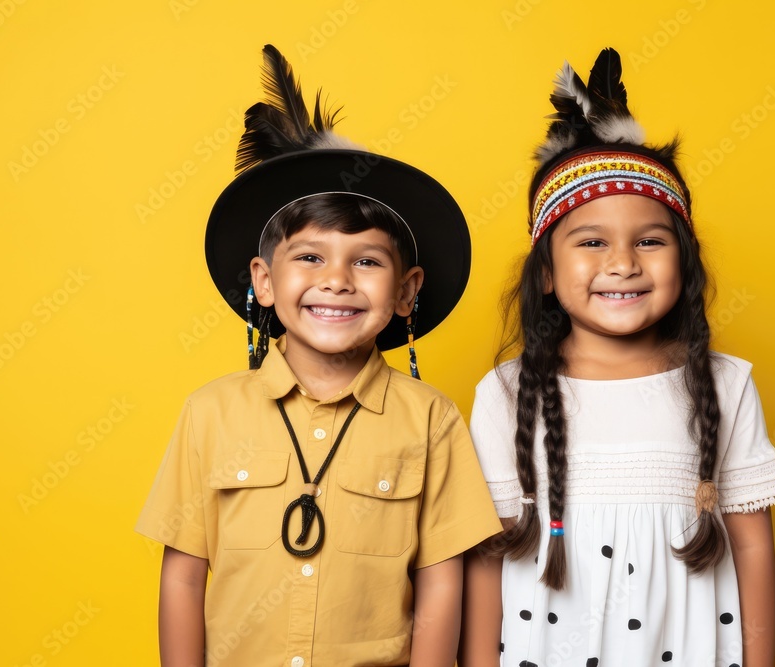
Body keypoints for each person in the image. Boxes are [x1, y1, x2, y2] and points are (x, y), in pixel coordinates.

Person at [136, 45, 501, 667]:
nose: (337, 280)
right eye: (310, 257)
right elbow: (183, 574)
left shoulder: (432, 419)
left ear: (408, 290)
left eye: (366, 261)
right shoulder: (210, 412)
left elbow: (443, 577)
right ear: (264, 281)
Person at [460, 48, 775, 667]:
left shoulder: (726, 384)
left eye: (649, 240)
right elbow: (486, 556)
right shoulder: (505, 392)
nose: (623, 263)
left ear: (683, 262)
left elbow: (751, 549)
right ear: (548, 274)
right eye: (591, 242)